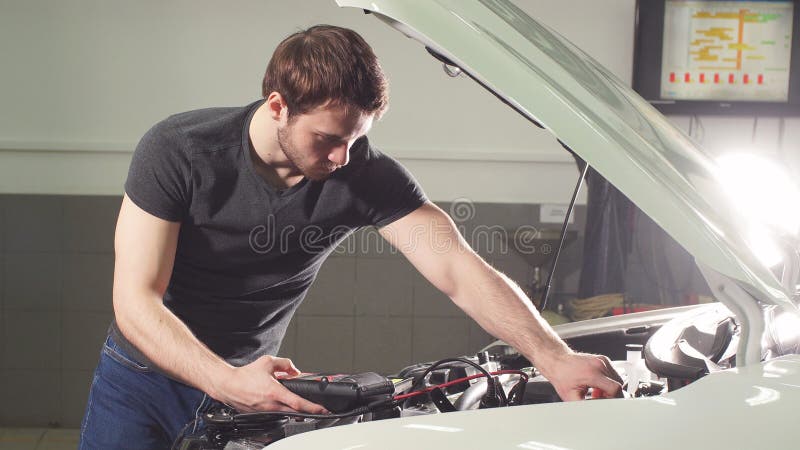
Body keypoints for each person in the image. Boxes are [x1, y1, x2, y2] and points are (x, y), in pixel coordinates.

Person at [79, 24, 622, 449]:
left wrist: (555, 358)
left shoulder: (362, 172)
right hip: (141, 381)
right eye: (327, 139)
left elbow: (457, 268)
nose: (341, 158)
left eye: (356, 139)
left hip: (253, 390)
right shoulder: (179, 150)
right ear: (277, 106)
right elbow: (135, 301)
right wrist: (222, 379)